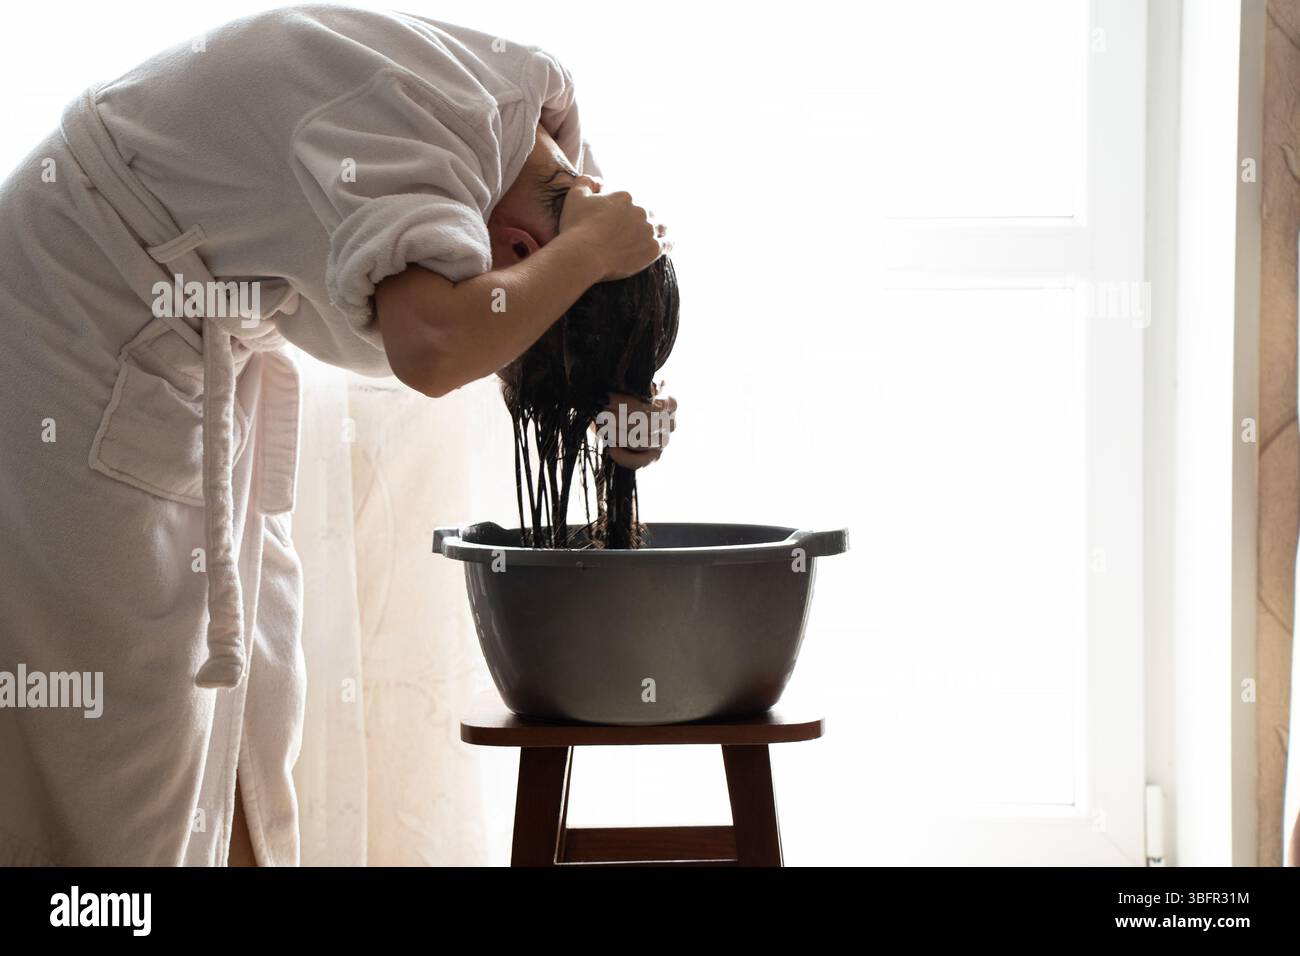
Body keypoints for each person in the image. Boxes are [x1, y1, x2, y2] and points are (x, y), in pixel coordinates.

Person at [0, 4, 675, 866]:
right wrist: (576, 265)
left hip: (199, 339)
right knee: (132, 724)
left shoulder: (541, 144)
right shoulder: (416, 135)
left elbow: (575, 289)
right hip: (73, 315)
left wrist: (629, 407)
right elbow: (435, 347)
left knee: (258, 690)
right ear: (515, 248)